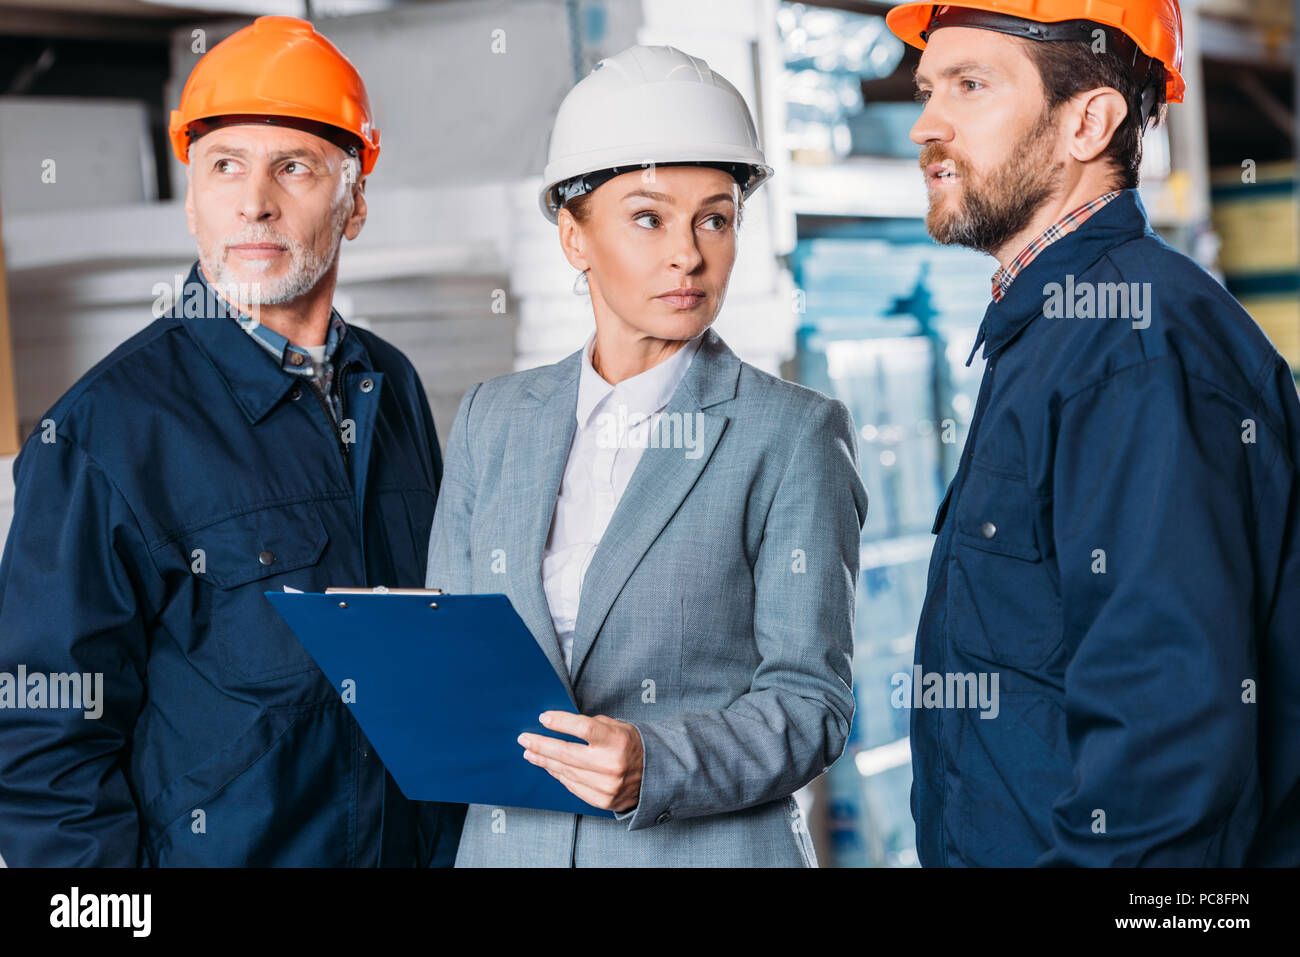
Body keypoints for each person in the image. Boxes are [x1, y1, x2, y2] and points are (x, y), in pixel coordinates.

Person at [0, 15, 463, 866]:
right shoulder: (104, 431)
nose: (255, 200)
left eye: (294, 166)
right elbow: (43, 746)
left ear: (355, 200)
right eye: (225, 167)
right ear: (192, 202)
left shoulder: (390, 387)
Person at [425, 44, 869, 867]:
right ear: (573, 235)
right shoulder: (494, 420)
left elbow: (813, 704)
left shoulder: (791, 434)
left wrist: (653, 765)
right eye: (647, 216)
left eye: (716, 217)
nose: (688, 255)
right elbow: (453, 654)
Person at [887, 0, 1300, 865]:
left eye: (970, 85)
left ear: (1088, 121)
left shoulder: (1134, 348)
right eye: (930, 88)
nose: (927, 121)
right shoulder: (1056, 332)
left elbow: (1169, 759)